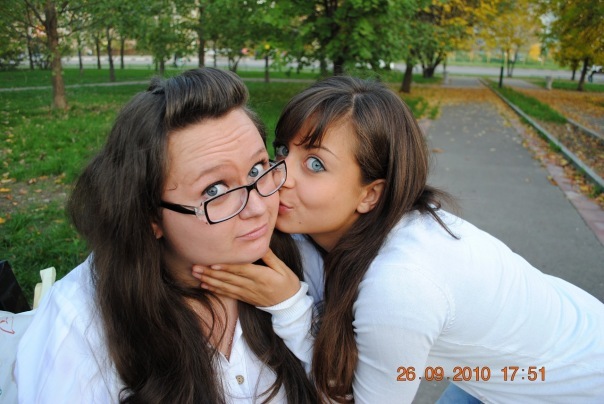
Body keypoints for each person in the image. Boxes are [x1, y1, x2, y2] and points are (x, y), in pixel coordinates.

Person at [193, 76, 604, 403]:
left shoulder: (401, 286)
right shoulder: (340, 228)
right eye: (282, 152)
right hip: (517, 364)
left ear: (370, 194)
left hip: (576, 385)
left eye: (315, 164)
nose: (281, 176)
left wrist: (290, 307)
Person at [14, 68, 317, 403]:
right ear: (150, 215)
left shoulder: (304, 259)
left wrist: (294, 311)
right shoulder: (79, 323)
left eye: (257, 169)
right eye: (214, 190)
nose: (258, 207)